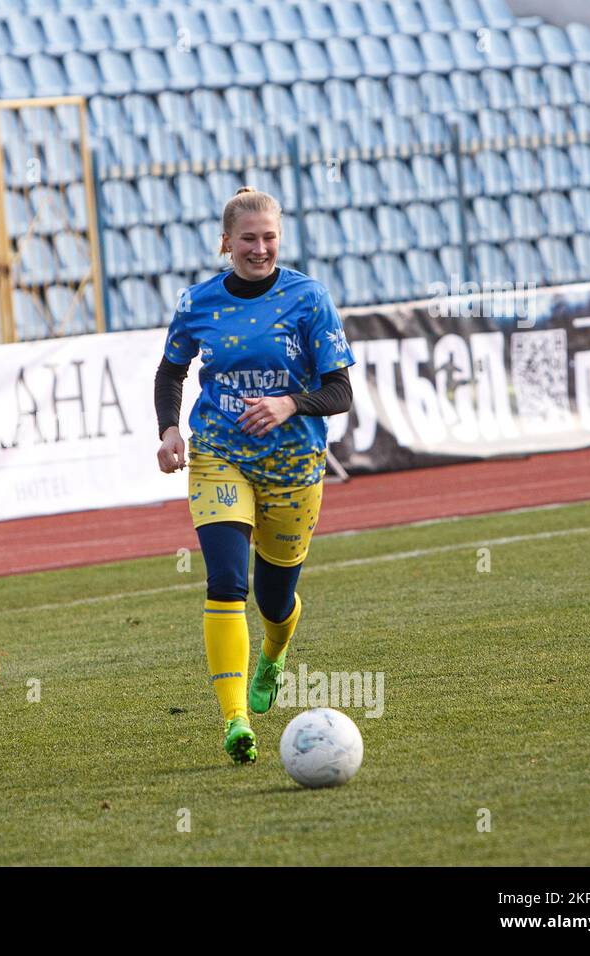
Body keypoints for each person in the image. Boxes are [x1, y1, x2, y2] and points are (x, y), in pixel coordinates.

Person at [154, 187, 355, 765]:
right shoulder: (197, 302)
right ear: (226, 242)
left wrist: (290, 403)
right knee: (225, 582)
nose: (260, 248)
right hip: (221, 455)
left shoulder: (309, 298)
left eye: (269, 238)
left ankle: (274, 651)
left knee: (274, 598)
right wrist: (170, 430)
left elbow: (340, 390)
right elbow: (170, 372)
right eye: (248, 238)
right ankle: (235, 720)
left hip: (294, 469)